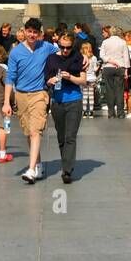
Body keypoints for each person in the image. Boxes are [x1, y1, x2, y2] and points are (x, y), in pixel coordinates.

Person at [3, 17, 57, 184]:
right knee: (28, 132)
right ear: (25, 31)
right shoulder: (16, 52)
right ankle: (38, 163)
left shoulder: (46, 47)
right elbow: (10, 77)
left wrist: (81, 59)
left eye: (35, 32)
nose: (32, 35)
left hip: (39, 94)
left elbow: (62, 52)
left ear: (40, 34)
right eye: (29, 31)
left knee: (35, 131)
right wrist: (6, 102)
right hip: (21, 95)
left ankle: (31, 169)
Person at [45, 32, 85, 183]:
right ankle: (66, 163)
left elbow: (83, 80)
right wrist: (50, 81)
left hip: (74, 101)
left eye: (68, 47)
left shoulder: (78, 57)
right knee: (61, 137)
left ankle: (67, 170)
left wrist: (71, 78)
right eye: (62, 47)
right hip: (57, 101)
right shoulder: (52, 58)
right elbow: (46, 79)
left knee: (70, 137)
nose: (65, 50)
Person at [99, 25, 130, 118]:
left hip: (108, 67)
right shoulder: (123, 42)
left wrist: (109, 60)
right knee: (119, 91)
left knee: (109, 90)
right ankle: (120, 113)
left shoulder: (105, 42)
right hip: (120, 67)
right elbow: (126, 57)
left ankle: (111, 113)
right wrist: (126, 70)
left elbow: (102, 55)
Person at [79, 40, 99, 118]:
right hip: (92, 78)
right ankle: (90, 112)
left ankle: (84, 112)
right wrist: (97, 67)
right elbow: (94, 69)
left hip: (84, 78)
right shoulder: (94, 58)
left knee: (84, 95)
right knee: (91, 96)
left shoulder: (81, 57)